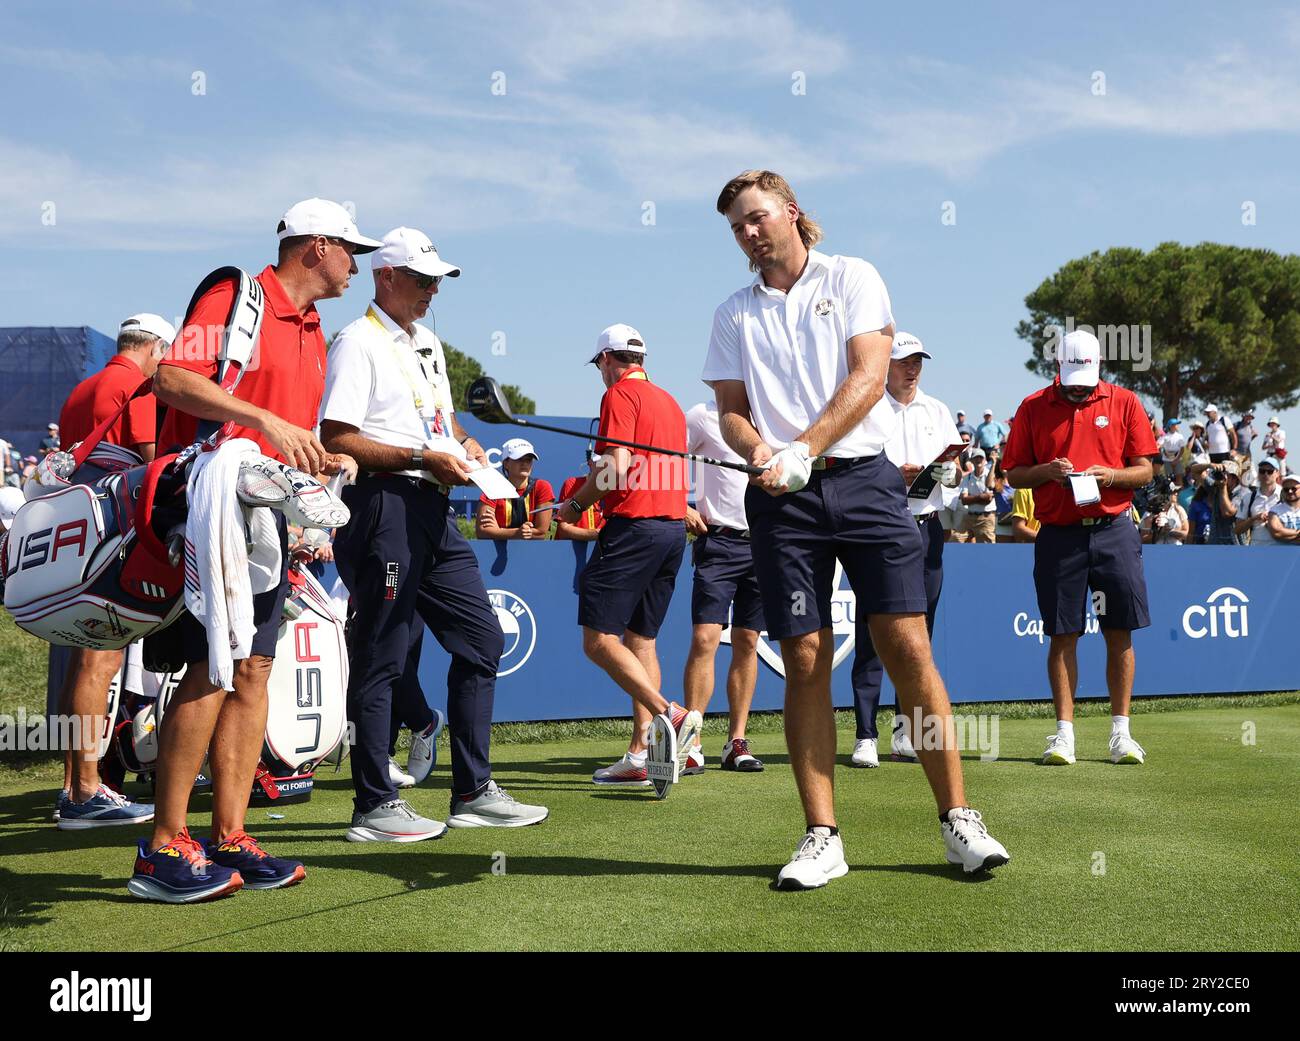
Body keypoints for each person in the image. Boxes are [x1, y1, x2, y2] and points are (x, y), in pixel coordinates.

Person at [703, 169, 1009, 888]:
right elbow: (731, 410)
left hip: (865, 480)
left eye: (757, 217)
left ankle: (958, 818)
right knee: (805, 655)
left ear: (791, 212)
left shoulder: (852, 278)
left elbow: (869, 378)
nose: (749, 233)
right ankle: (821, 835)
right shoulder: (733, 313)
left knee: (907, 645)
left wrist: (804, 447)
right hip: (783, 499)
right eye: (737, 227)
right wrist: (760, 453)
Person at [128, 198, 374, 904]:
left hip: (267, 524)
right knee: (214, 667)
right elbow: (172, 379)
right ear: (315, 246)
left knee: (254, 669)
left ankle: (228, 835)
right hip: (206, 514)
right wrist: (260, 418)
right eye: (349, 249)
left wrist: (326, 460)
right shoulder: (240, 293)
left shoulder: (315, 329)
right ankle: (163, 844)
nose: (356, 263)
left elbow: (284, 437)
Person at [321, 225, 548, 839]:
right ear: (385, 277)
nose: (430, 292)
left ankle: (472, 791)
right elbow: (336, 438)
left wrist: (466, 446)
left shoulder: (428, 344)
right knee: (383, 653)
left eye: (436, 282)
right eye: (421, 280)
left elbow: (438, 425)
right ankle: (372, 804)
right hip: (380, 505)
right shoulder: (355, 341)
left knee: (481, 638)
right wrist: (423, 457)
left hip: (433, 508)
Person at [555, 324, 702, 796]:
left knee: (598, 641)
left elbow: (615, 468)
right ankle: (641, 753)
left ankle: (668, 714)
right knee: (642, 641)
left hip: (634, 528)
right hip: (670, 530)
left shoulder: (619, 396)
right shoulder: (671, 402)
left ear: (606, 361)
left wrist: (575, 504)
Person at [1003, 329, 1158, 767]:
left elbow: (1144, 471)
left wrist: (1109, 476)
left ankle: (1121, 734)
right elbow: (1014, 474)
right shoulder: (1033, 407)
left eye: (1084, 380)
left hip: (1114, 530)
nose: (1077, 388)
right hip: (1059, 534)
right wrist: (1046, 471)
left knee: (1119, 631)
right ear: (1058, 368)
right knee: (1061, 633)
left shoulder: (1125, 401)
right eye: (1070, 378)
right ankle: (1064, 736)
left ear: (1098, 368)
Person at [53, 313, 175, 829]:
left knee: (82, 664)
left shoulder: (82, 388)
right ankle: (83, 791)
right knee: (97, 664)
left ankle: (74, 783)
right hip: (110, 533)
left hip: (73, 529)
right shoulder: (141, 385)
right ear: (156, 349)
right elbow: (155, 462)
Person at [848, 332, 960, 769]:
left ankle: (904, 730)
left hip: (928, 529)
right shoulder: (867, 409)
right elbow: (856, 471)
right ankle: (864, 733)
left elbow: (952, 476)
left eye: (917, 362)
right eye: (903, 361)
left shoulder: (937, 410)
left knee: (919, 637)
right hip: (879, 529)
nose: (912, 369)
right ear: (885, 364)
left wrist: (945, 475)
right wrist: (895, 475)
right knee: (873, 633)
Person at [678, 399, 765, 779]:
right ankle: (692, 742)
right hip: (718, 541)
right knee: (705, 639)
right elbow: (667, 458)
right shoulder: (702, 416)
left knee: (748, 641)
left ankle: (736, 742)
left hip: (764, 542)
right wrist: (679, 504)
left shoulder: (770, 414)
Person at [475, 437, 554, 540]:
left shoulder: (542, 487)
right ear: (506, 463)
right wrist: (516, 533)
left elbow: (541, 533)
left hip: (534, 551)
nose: (524, 463)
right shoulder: (493, 488)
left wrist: (498, 531)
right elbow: (481, 532)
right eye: (519, 459)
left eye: (528, 460)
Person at [554, 455, 605, 540]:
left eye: (606, 463)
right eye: (599, 462)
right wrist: (595, 535)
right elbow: (563, 530)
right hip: (576, 549)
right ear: (590, 463)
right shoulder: (572, 484)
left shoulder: (617, 488)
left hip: (608, 548)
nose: (602, 466)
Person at [958, 449, 997, 543]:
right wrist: (980, 497)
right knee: (956, 540)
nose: (978, 460)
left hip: (986, 518)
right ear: (971, 461)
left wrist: (972, 498)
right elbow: (964, 500)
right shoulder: (967, 477)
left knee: (988, 549)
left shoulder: (990, 474)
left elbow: (988, 498)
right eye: (976, 458)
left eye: (981, 458)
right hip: (969, 517)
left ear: (985, 461)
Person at [1242, 458, 1283, 545]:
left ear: (1277, 473)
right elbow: (1238, 529)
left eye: (1270, 471)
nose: (1265, 474)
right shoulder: (1249, 497)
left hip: (1281, 550)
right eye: (1262, 471)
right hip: (1256, 550)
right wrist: (1254, 518)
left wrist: (1274, 523)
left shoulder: (1286, 496)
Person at [1260, 472, 1300, 543]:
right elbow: (1277, 533)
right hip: (1281, 553)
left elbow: (1281, 533)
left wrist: (1285, 533)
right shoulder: (1274, 510)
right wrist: (1298, 534)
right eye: (1286, 489)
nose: (1290, 491)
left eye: (1294, 489)